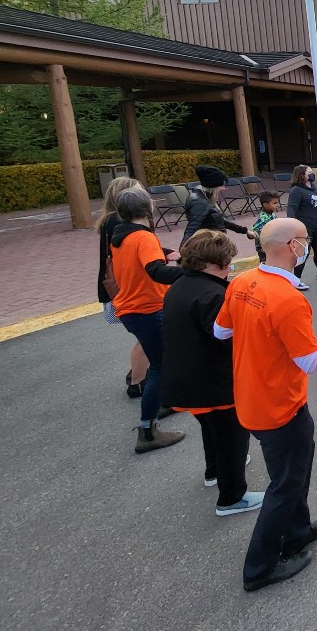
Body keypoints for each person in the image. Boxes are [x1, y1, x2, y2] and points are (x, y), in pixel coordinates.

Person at [213, 218, 317, 592]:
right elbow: (310, 361)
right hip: (280, 406)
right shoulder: (289, 298)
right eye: (306, 240)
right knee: (285, 484)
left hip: (252, 398)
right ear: (291, 245)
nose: (310, 245)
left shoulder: (241, 282)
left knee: (293, 471)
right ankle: (259, 567)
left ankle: (298, 531)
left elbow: (221, 331)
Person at [161, 229, 261, 516]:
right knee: (232, 436)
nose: (230, 267)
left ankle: (214, 471)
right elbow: (225, 337)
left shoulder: (182, 285)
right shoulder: (213, 295)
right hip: (213, 381)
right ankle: (232, 497)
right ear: (212, 263)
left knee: (211, 428)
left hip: (186, 378)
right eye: (227, 262)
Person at [110, 188, 185, 453]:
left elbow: (141, 263)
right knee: (159, 367)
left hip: (131, 307)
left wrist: (163, 251)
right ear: (148, 210)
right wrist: (191, 271)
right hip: (148, 308)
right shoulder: (143, 237)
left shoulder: (121, 236)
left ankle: (164, 402)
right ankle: (148, 430)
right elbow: (156, 271)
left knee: (163, 360)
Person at [96, 175, 149, 398]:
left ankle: (139, 375)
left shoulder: (110, 221)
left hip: (120, 288)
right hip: (128, 289)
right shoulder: (118, 222)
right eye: (137, 192)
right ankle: (137, 381)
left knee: (146, 335)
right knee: (147, 336)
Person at [180, 183, 250, 248]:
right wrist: (182, 251)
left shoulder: (204, 199)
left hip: (215, 243)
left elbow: (221, 221)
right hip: (210, 246)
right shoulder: (200, 203)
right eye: (220, 186)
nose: (223, 188)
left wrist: (245, 231)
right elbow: (192, 227)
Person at [248, 191, 280, 264]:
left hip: (271, 246)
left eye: (277, 203)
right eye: (274, 203)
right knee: (267, 267)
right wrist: (252, 233)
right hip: (264, 248)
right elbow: (254, 229)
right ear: (265, 205)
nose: (277, 205)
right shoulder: (264, 218)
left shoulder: (273, 215)